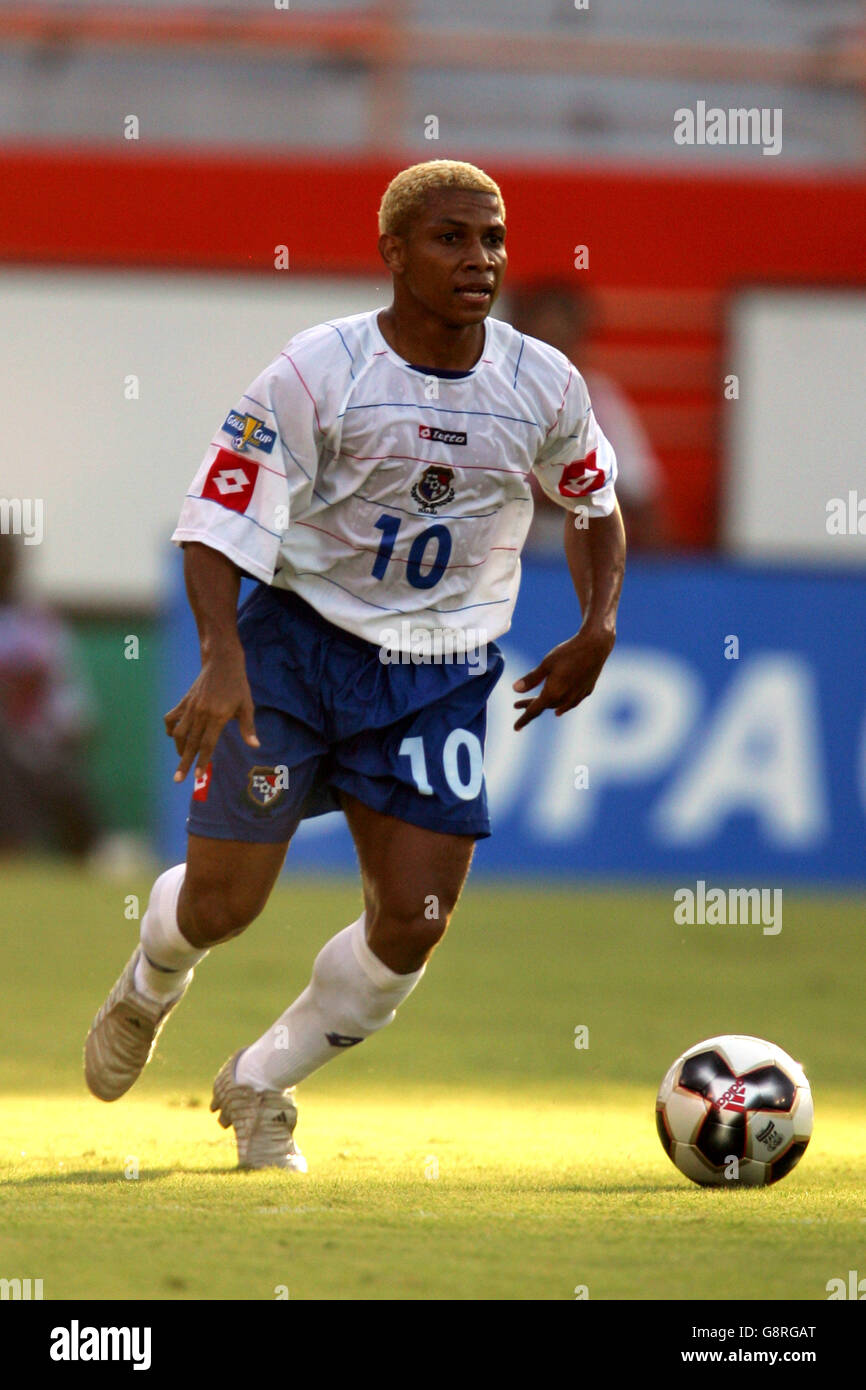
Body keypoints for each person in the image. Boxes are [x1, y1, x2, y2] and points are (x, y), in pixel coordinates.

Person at [84, 160, 626, 1171]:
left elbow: (592, 503)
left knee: (413, 923)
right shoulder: (314, 371)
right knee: (223, 905)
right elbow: (213, 521)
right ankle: (151, 982)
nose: (480, 261)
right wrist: (222, 656)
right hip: (299, 648)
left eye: (493, 239)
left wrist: (596, 622)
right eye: (451, 239)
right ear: (393, 252)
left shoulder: (541, 382)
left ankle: (259, 1082)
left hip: (440, 672)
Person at [509, 282, 666, 552]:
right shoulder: (497, 400)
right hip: (512, 561)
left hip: (590, 557)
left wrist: (655, 584)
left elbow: (642, 496)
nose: (553, 360)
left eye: (561, 343)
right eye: (543, 345)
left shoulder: (602, 400)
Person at [0, 534, 98, 858]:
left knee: (70, 796)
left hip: (37, 749)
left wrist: (67, 730)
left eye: (7, 554)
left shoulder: (39, 620)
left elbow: (70, 701)